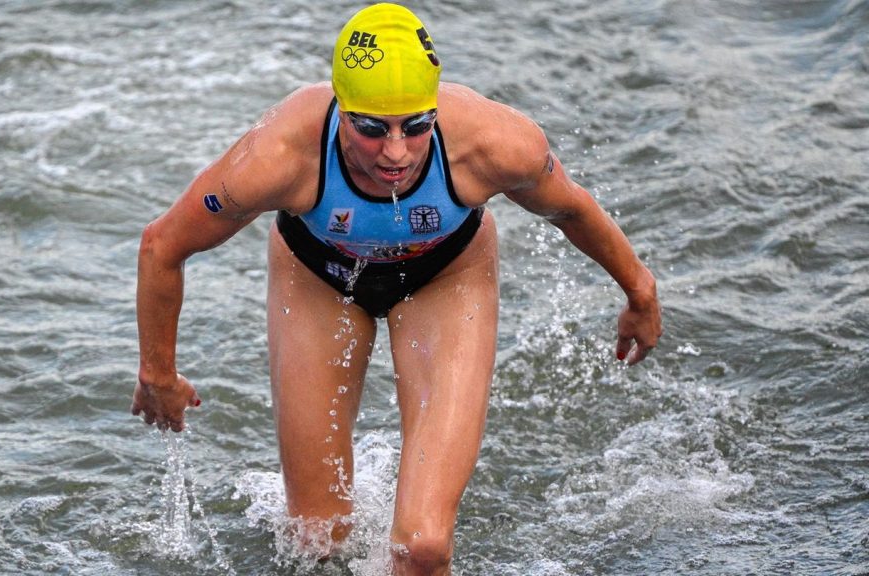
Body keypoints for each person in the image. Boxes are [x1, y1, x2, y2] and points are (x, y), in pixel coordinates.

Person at [132, 3, 662, 574]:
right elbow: (163, 246)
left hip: (446, 276)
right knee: (317, 543)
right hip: (318, 275)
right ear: (340, 112)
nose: (396, 152)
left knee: (423, 546)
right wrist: (158, 373)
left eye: (415, 125)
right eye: (370, 128)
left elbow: (573, 211)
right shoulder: (278, 158)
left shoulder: (493, 145)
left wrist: (640, 292)